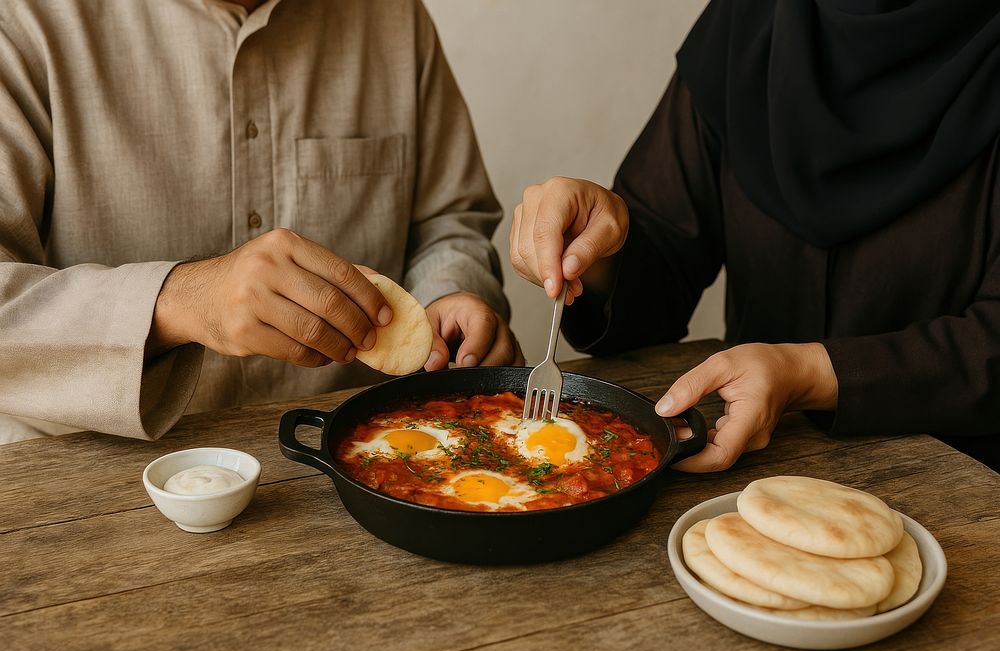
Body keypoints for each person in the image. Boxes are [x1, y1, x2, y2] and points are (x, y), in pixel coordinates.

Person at [0, 0, 522, 444]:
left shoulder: (393, 15)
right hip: (87, 480)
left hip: (359, 455)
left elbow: (451, 221)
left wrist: (448, 298)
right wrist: (181, 300)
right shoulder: (25, 23)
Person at [509, 1, 1000, 472]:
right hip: (747, 473)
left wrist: (809, 373)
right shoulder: (752, 17)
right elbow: (664, 249)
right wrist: (591, 252)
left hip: (969, 489)